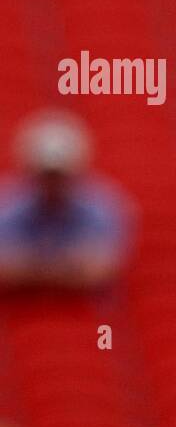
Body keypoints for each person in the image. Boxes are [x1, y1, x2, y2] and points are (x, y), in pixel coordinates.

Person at [0, 112, 132, 293]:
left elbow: (100, 270)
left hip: (87, 310)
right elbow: (5, 270)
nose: (52, 184)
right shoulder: (8, 205)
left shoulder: (103, 206)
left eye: (59, 176)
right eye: (46, 175)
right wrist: (68, 268)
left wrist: (30, 267)